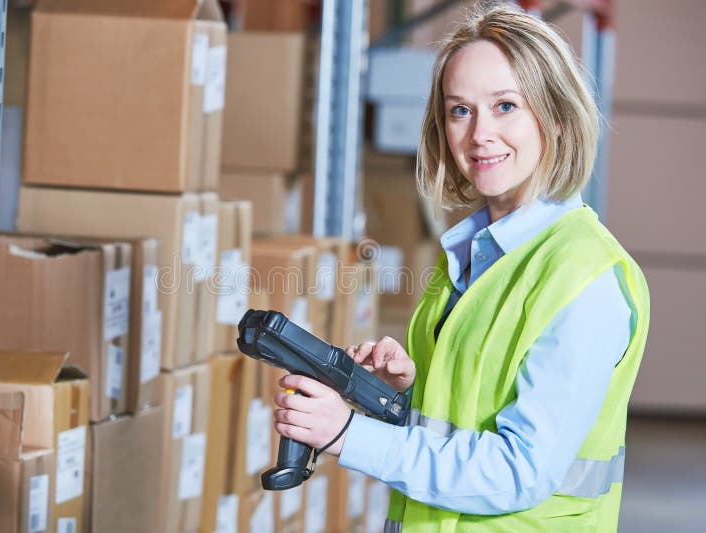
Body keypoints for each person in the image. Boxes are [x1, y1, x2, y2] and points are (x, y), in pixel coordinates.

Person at [271, 2, 650, 532]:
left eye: (506, 106)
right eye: (460, 110)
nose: (479, 135)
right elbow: (467, 419)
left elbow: (521, 471)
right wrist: (401, 392)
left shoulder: (585, 279)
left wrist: (347, 436)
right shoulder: (472, 255)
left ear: (558, 119)